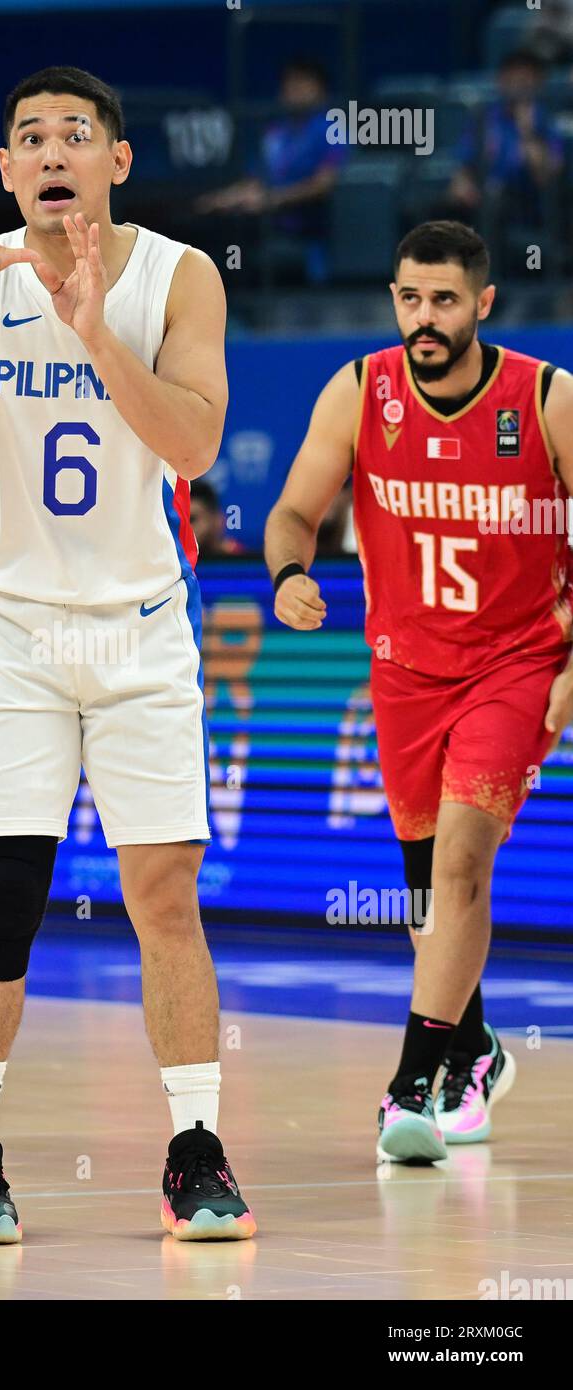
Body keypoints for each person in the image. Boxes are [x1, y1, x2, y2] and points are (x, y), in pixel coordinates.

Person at [0, 66, 255, 1242]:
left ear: (116, 161)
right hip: (15, 635)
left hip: (142, 629)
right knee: (7, 897)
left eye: (73, 134)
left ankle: (195, 1146)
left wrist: (96, 335)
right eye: (29, 136)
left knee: (165, 896)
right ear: (8, 168)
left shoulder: (179, 275)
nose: (51, 151)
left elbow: (193, 445)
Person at [264, 220, 573, 1164]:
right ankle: (473, 1051)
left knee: (463, 867)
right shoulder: (359, 391)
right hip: (403, 670)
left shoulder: (548, 398)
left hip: (515, 660)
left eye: (443, 300)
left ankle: (410, 1086)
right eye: (409, 298)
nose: (424, 317)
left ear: (483, 302)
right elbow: (291, 509)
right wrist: (286, 575)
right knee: (421, 889)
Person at [195, 59, 345, 284]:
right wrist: (223, 200)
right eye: (289, 83)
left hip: (307, 226)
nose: (294, 90)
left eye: (303, 83)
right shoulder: (276, 132)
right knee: (207, 223)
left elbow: (324, 184)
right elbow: (256, 180)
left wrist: (272, 200)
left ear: (321, 90)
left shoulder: (333, 128)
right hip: (264, 220)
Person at [447, 52, 562, 230]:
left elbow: (544, 179)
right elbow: (464, 166)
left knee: (494, 203)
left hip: (525, 207)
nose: (517, 86)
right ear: (500, 81)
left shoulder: (546, 125)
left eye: (524, 80)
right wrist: (462, 184)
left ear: (538, 83)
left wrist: (527, 132)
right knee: (425, 208)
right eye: (511, 78)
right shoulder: (483, 119)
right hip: (480, 200)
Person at [189, 480, 248, 557]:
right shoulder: (172, 560)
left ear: (217, 520)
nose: (184, 527)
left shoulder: (239, 560)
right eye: (180, 520)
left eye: (192, 519)